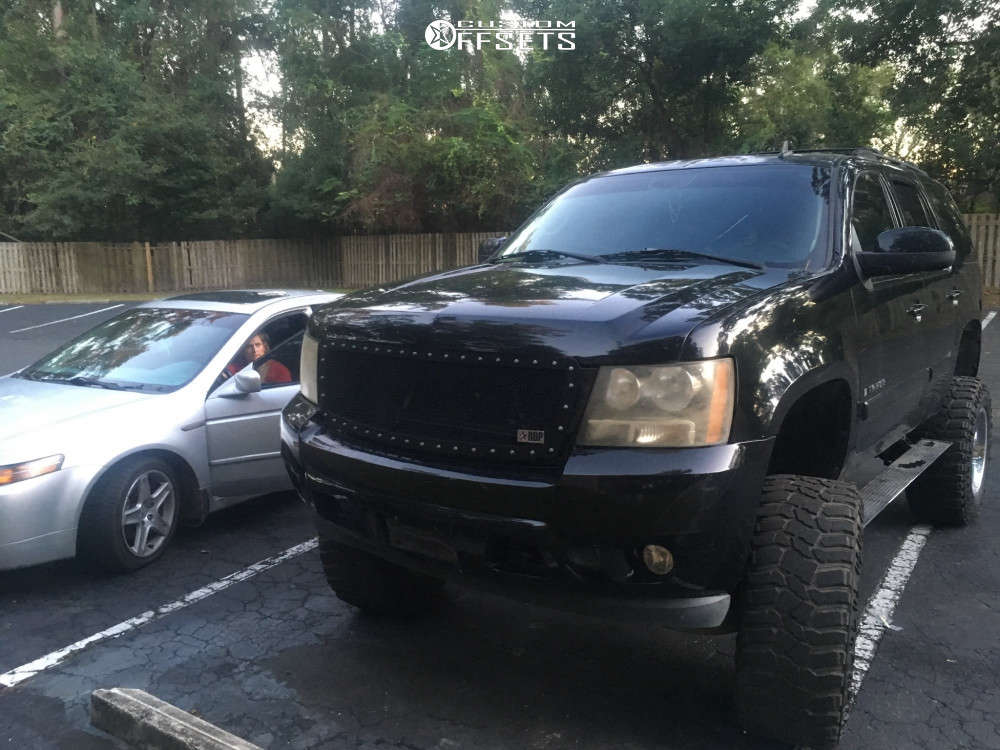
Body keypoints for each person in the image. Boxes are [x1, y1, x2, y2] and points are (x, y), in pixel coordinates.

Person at [226, 332, 292, 384]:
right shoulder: (236, 367)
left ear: (265, 347)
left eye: (258, 345)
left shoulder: (279, 370)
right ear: (243, 350)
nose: (254, 350)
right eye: (249, 346)